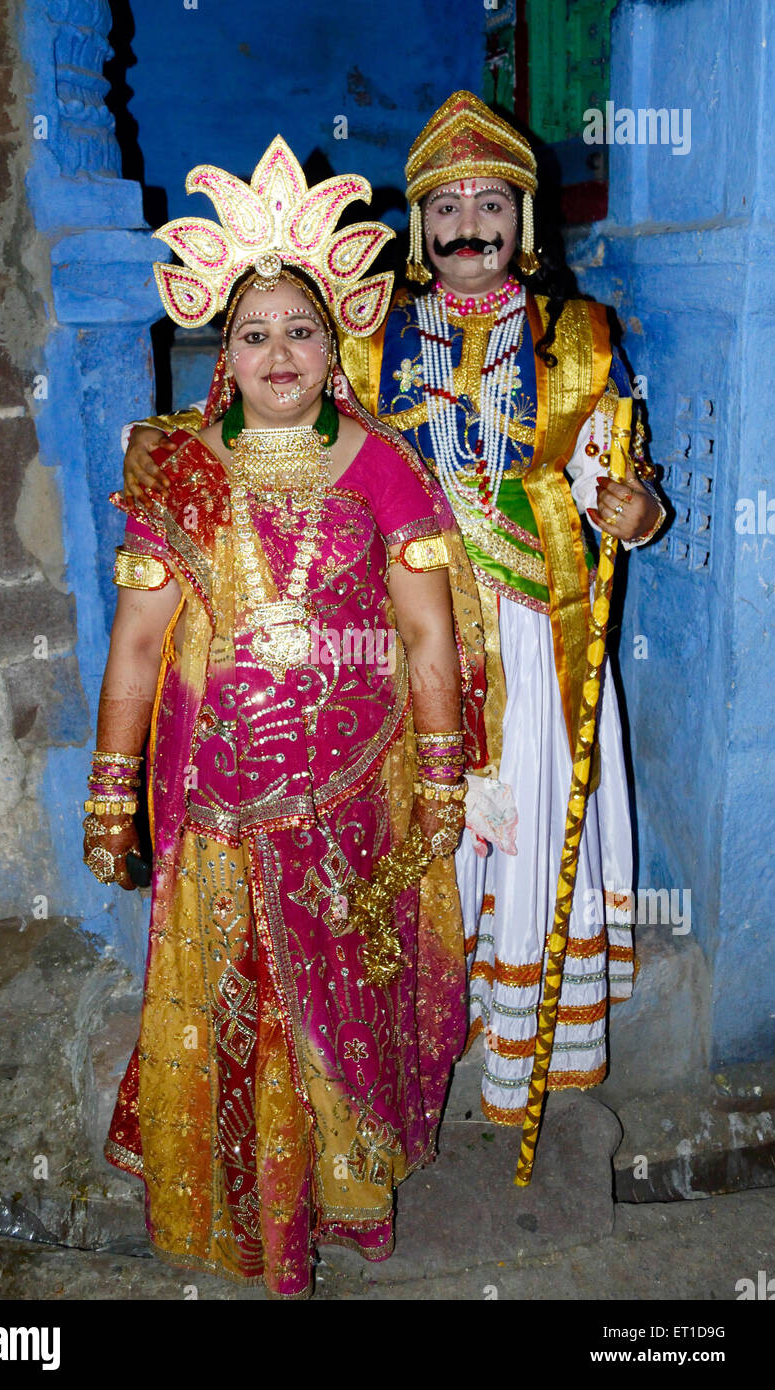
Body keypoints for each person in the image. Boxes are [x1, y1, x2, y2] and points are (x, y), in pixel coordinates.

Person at [123, 95, 666, 1131]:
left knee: (521, 825)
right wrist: (161, 452)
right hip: (389, 638)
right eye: (446, 203)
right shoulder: (371, 337)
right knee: (413, 835)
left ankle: (514, 1061)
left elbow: (616, 475)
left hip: (528, 625)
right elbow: (272, 423)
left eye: (491, 203)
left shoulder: (580, 337)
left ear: (524, 218)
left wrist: (633, 512)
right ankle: (411, 1048)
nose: (470, 223)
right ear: (418, 224)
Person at [84, 136, 485, 1297]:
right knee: (235, 1002)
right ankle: (253, 1219)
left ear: (334, 343)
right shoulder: (177, 470)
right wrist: (114, 787)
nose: (277, 354)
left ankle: (339, 1193)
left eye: (300, 331)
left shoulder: (384, 467)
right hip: (214, 799)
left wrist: (445, 775)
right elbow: (142, 645)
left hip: (354, 793)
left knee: (342, 1003)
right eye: (252, 333)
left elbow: (424, 634)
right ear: (221, 348)